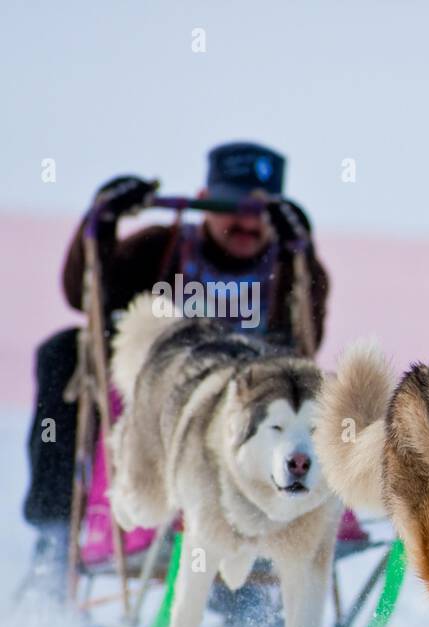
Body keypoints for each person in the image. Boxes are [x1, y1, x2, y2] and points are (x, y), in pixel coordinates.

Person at [22, 141, 332, 603]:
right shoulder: (161, 248)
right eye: (232, 207)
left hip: (241, 406)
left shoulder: (289, 265)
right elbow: (84, 297)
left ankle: (252, 556)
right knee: (64, 351)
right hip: (156, 397)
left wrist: (297, 246)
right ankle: (55, 533)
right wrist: (100, 224)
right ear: (205, 196)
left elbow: (306, 342)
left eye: (259, 211)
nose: (246, 223)